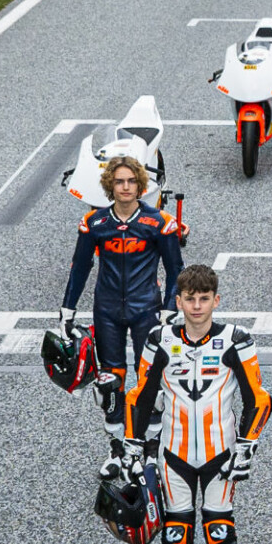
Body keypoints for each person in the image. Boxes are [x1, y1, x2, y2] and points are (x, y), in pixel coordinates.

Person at [126, 265, 272, 544]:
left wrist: (246, 446)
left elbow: (258, 399)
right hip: (173, 455)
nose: (196, 306)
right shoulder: (158, 339)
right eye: (189, 299)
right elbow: (139, 396)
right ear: (178, 301)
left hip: (219, 456)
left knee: (221, 539)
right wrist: (131, 446)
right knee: (175, 542)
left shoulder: (235, 340)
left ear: (216, 301)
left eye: (204, 298)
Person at [62, 157, 185, 475]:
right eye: (119, 181)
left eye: (131, 181)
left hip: (147, 311)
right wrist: (67, 309)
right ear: (109, 186)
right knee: (109, 386)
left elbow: (175, 270)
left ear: (141, 185)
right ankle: (117, 451)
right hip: (107, 312)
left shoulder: (161, 223)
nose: (126, 187)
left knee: (152, 386)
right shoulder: (94, 223)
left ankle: (150, 450)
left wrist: (170, 312)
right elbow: (80, 267)